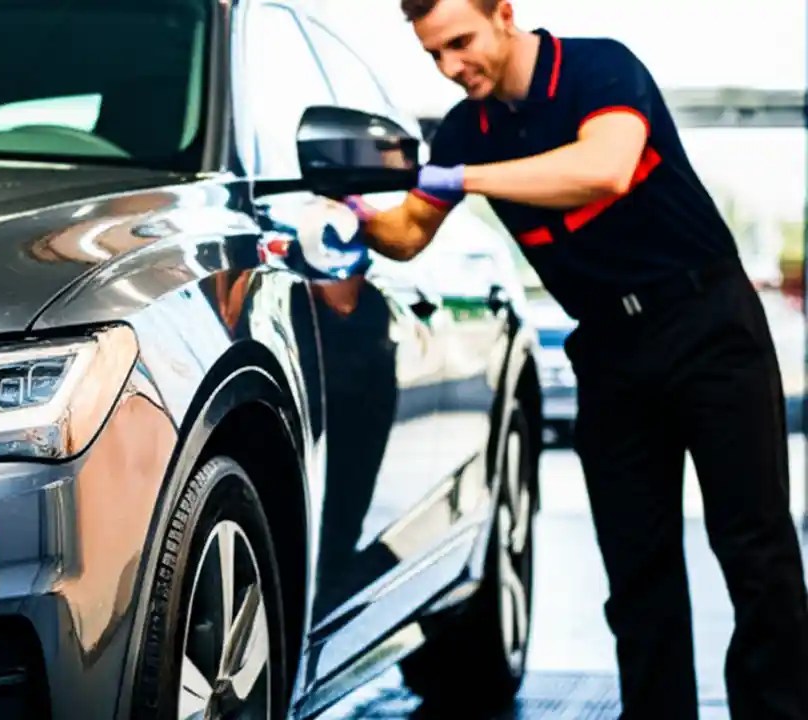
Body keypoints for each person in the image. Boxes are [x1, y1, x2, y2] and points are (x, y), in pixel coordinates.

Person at [345, 0, 808, 718]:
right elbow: (409, 233)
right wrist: (348, 212)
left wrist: (463, 178)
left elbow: (605, 169)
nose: (450, 66)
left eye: (460, 43)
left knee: (756, 550)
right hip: (610, 349)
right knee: (636, 567)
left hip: (707, 323)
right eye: (433, 55)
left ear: (503, 14)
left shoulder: (599, 68)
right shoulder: (471, 128)